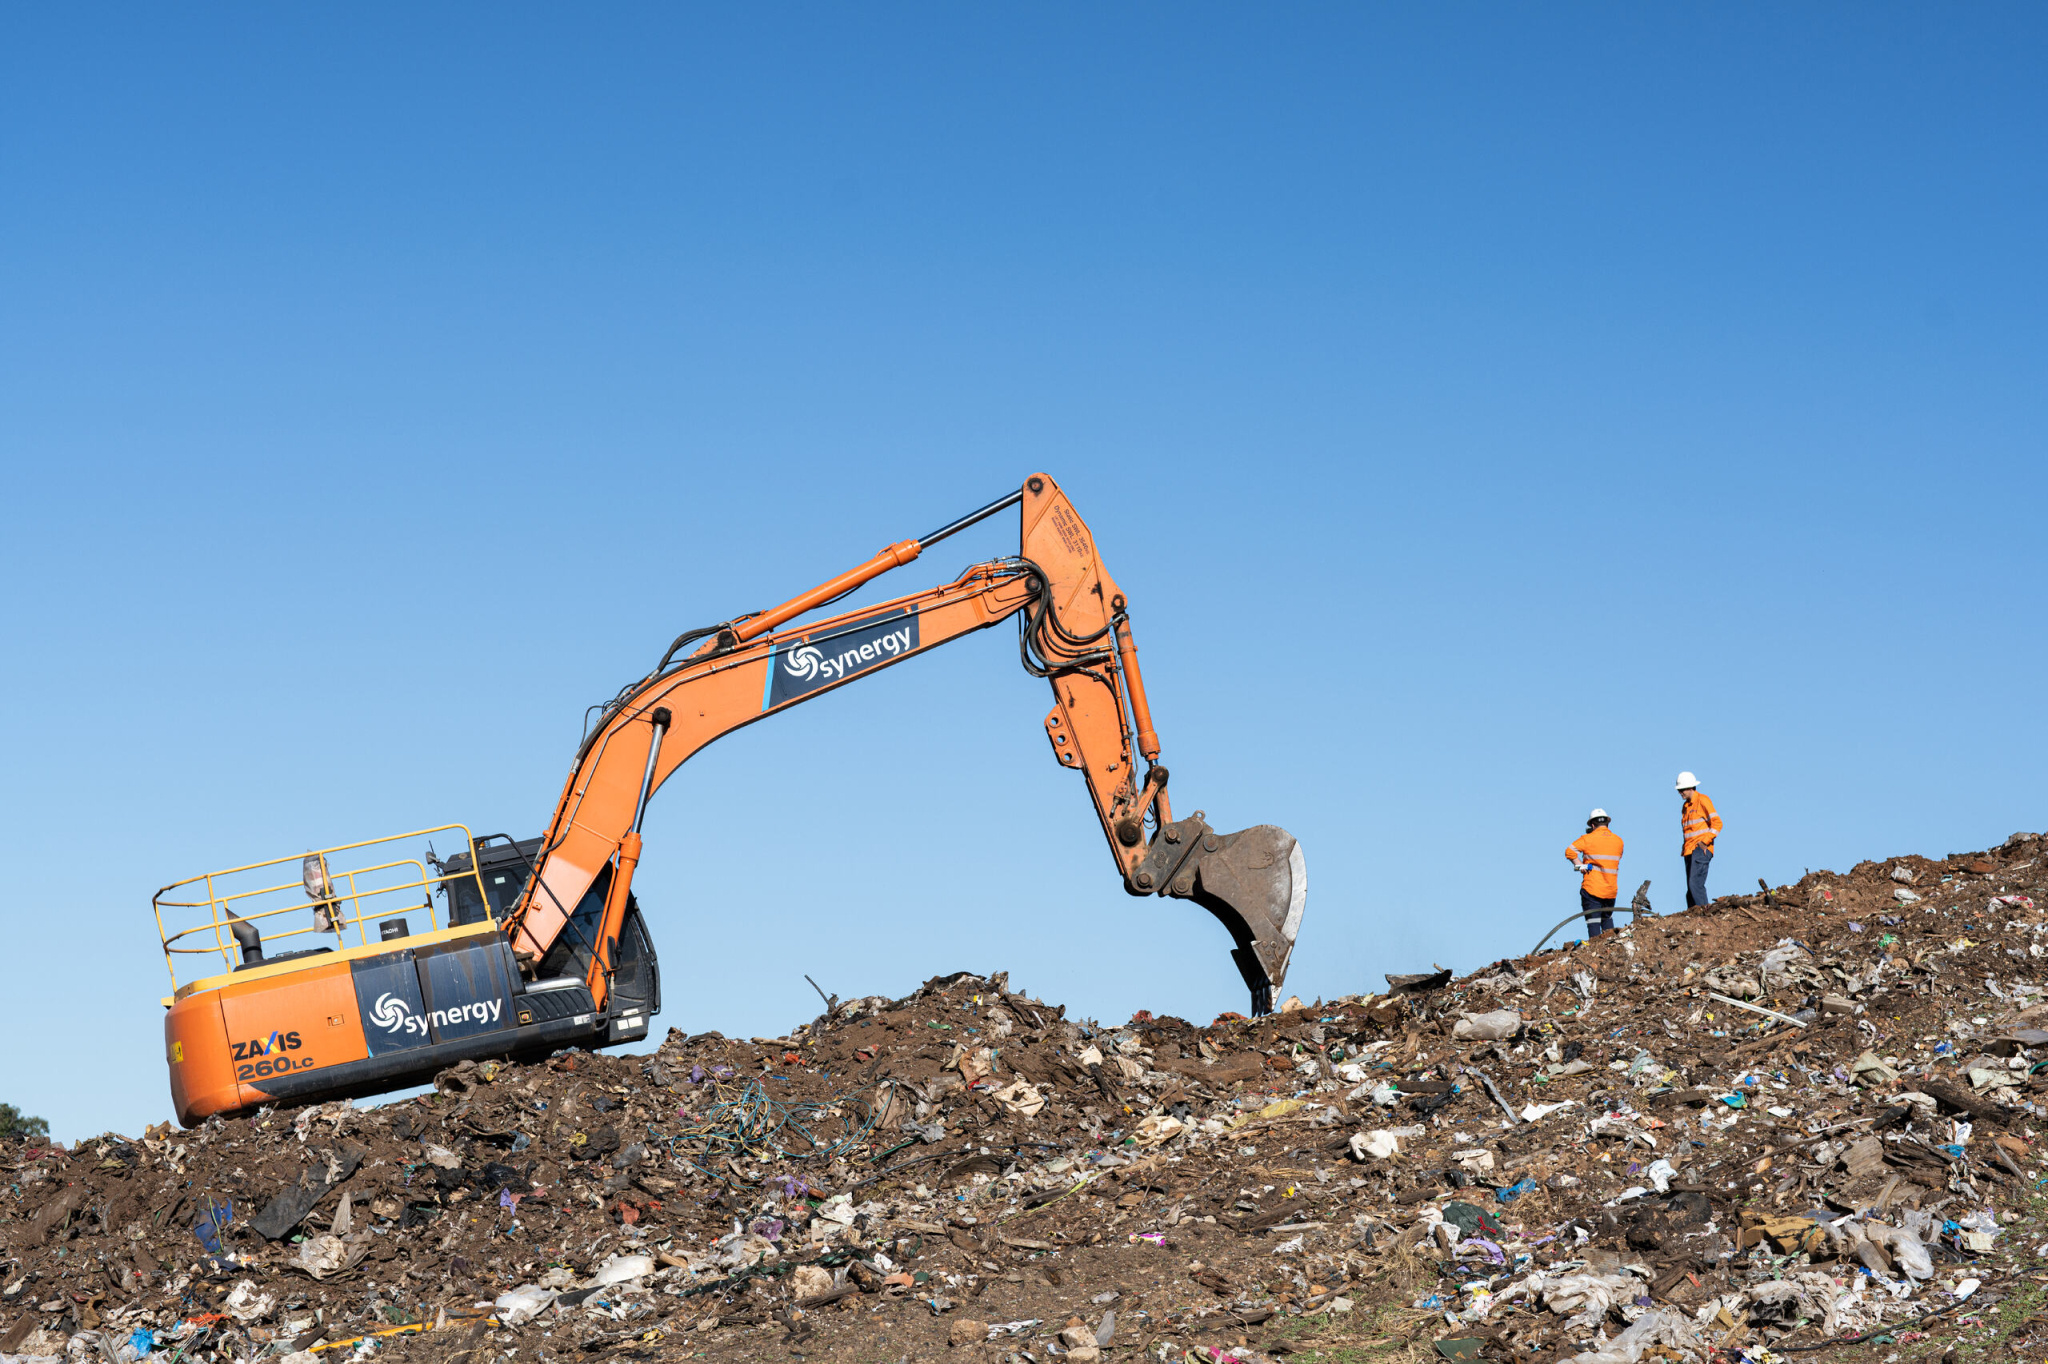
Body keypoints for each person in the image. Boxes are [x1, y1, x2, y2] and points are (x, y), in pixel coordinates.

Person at [1565, 809, 1624, 937]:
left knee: (1594, 925)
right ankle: (1611, 946)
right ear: (1607, 823)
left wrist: (1580, 865)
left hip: (1592, 889)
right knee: (1607, 922)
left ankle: (1595, 948)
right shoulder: (1618, 841)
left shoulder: (1588, 839)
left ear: (1592, 825)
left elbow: (1569, 852)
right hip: (1610, 890)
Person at [1676, 771, 1722, 907]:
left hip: (1701, 849)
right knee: (1691, 889)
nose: (1680, 793)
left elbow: (1717, 823)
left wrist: (1704, 842)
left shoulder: (1703, 800)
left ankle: (1703, 913)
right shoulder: (1685, 807)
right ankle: (1693, 914)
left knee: (1695, 884)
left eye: (1682, 790)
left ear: (1690, 787)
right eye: (1679, 790)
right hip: (1689, 851)